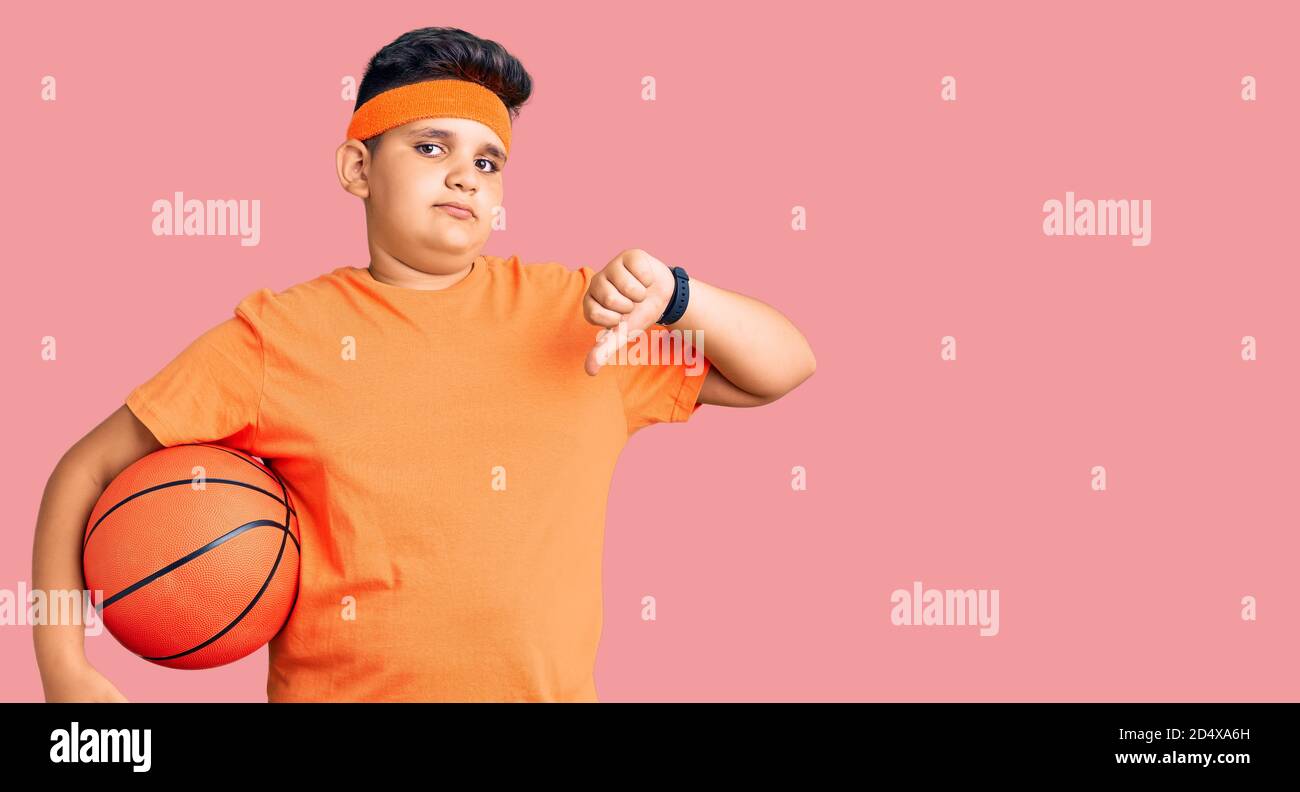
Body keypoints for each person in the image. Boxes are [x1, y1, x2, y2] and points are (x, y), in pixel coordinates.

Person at [32, 26, 815, 702]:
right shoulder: (279, 336)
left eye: (488, 160)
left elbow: (783, 365)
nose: (464, 175)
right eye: (430, 146)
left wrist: (680, 294)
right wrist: (63, 669)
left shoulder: (582, 316)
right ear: (357, 170)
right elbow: (83, 473)